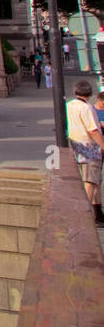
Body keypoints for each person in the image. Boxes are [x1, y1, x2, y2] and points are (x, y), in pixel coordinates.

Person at [67, 79, 104, 225]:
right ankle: (85, 213)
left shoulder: (69, 105)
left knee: (91, 179)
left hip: (75, 143)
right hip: (90, 146)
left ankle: (97, 211)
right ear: (90, 93)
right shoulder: (87, 108)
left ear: (75, 91)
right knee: (91, 180)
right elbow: (93, 130)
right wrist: (102, 145)